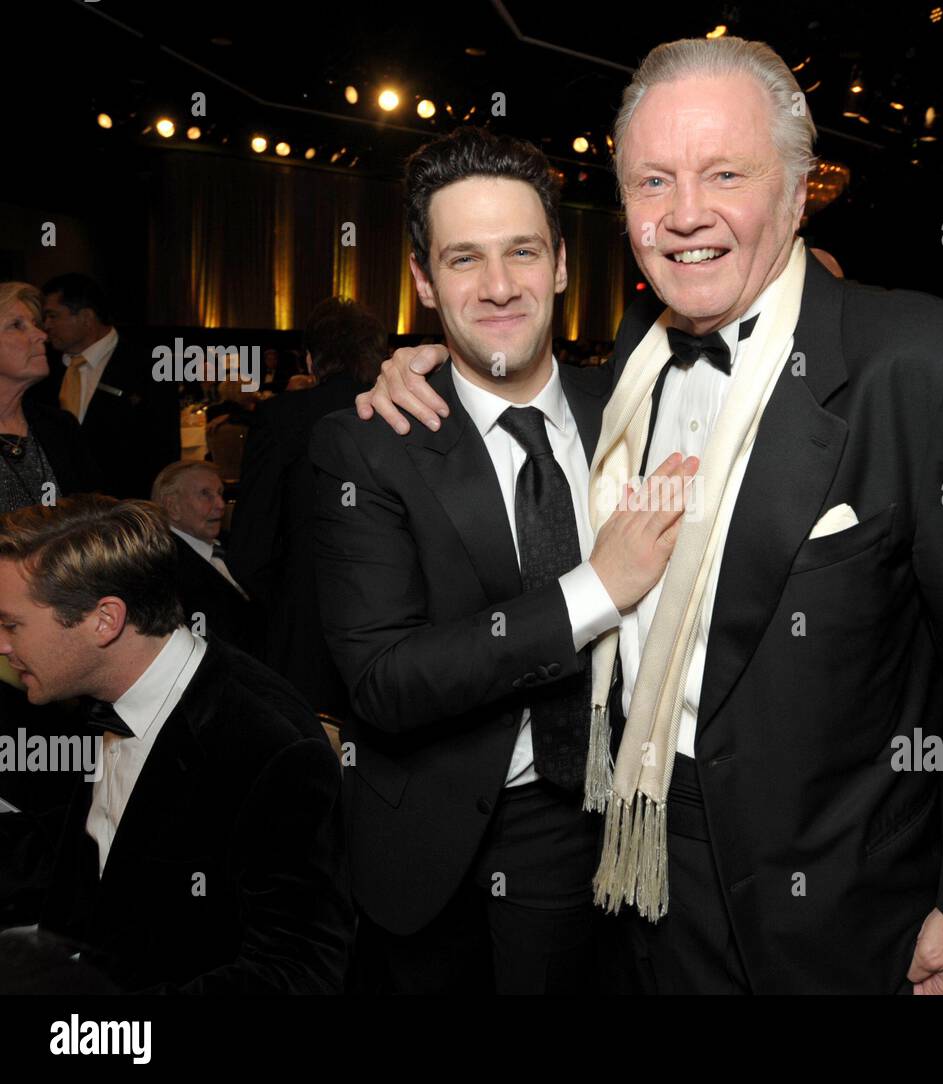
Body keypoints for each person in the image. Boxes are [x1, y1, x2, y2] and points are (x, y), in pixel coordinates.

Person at [354, 37, 943, 995]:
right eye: (653, 182)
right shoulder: (635, 360)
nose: (686, 215)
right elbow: (518, 392)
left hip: (849, 898)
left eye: (725, 174)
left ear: (796, 193)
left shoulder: (924, 368)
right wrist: (427, 371)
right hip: (633, 858)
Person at [311, 127, 694, 994]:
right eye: (463, 260)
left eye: (521, 252)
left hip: (643, 823)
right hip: (466, 836)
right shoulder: (371, 444)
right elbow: (383, 680)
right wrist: (596, 590)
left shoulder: (638, 410)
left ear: (560, 264)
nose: (496, 287)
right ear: (422, 280)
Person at [0, 496, 351, 992]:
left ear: (105, 620)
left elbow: (297, 971)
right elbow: (88, 843)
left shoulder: (267, 744)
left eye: (11, 624)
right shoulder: (97, 689)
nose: (1, 644)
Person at [227, 297, 385, 720]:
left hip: (301, 638)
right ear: (374, 357)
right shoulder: (406, 415)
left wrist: (291, 600)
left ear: (312, 359)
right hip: (393, 639)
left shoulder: (281, 417)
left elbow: (248, 550)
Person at [37, 274, 179, 499]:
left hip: (124, 511)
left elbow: (164, 455)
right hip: (56, 513)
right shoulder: (40, 368)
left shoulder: (148, 368)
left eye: (53, 316)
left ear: (85, 317)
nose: (46, 326)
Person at [0, 283, 98, 514]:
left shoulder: (60, 426)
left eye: (35, 324)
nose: (42, 335)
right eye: (17, 325)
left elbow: (93, 515)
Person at [151, 460, 260, 654]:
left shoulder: (239, 544)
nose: (220, 504)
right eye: (205, 494)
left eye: (220, 493)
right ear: (172, 506)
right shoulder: (164, 567)